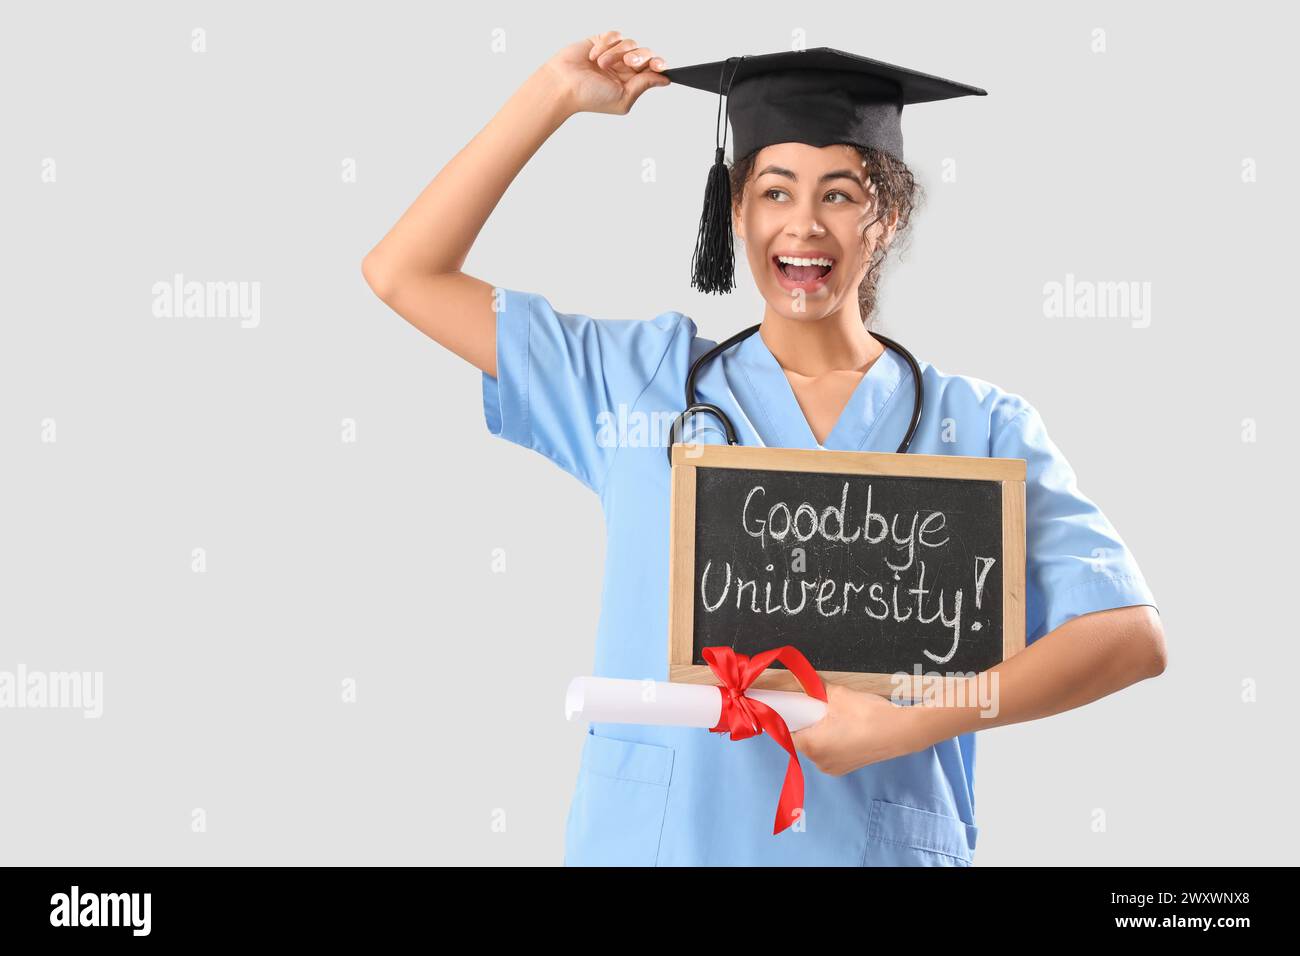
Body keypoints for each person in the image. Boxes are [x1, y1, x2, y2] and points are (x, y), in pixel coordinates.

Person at [362, 31, 1168, 866]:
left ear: (886, 217)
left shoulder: (979, 426)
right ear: (736, 212)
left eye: (842, 195)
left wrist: (915, 720)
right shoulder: (639, 385)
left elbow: (1129, 636)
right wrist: (552, 96)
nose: (805, 225)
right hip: (660, 844)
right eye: (775, 192)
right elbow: (403, 272)